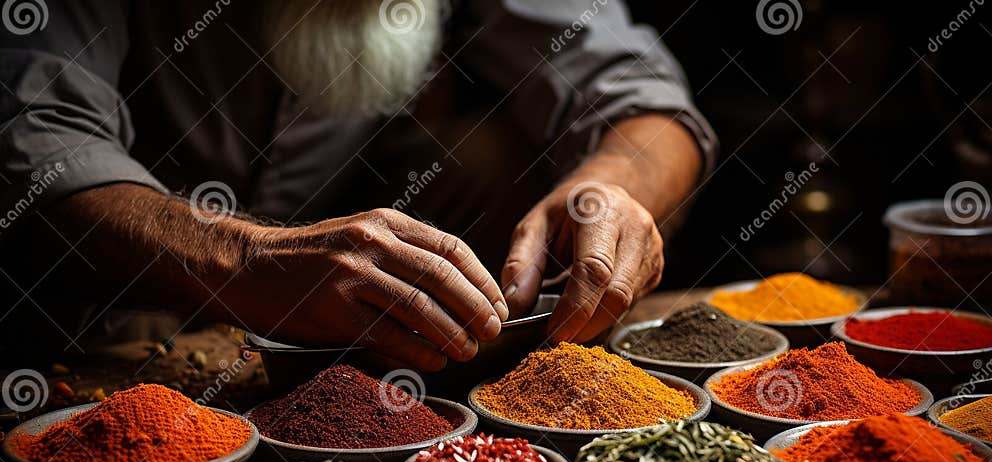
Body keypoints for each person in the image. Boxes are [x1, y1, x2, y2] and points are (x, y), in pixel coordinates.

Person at [0, 0, 715, 370]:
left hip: (352, 281)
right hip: (116, 288)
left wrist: (616, 187)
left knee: (487, 154)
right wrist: (241, 260)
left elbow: (641, 95)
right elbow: (36, 137)